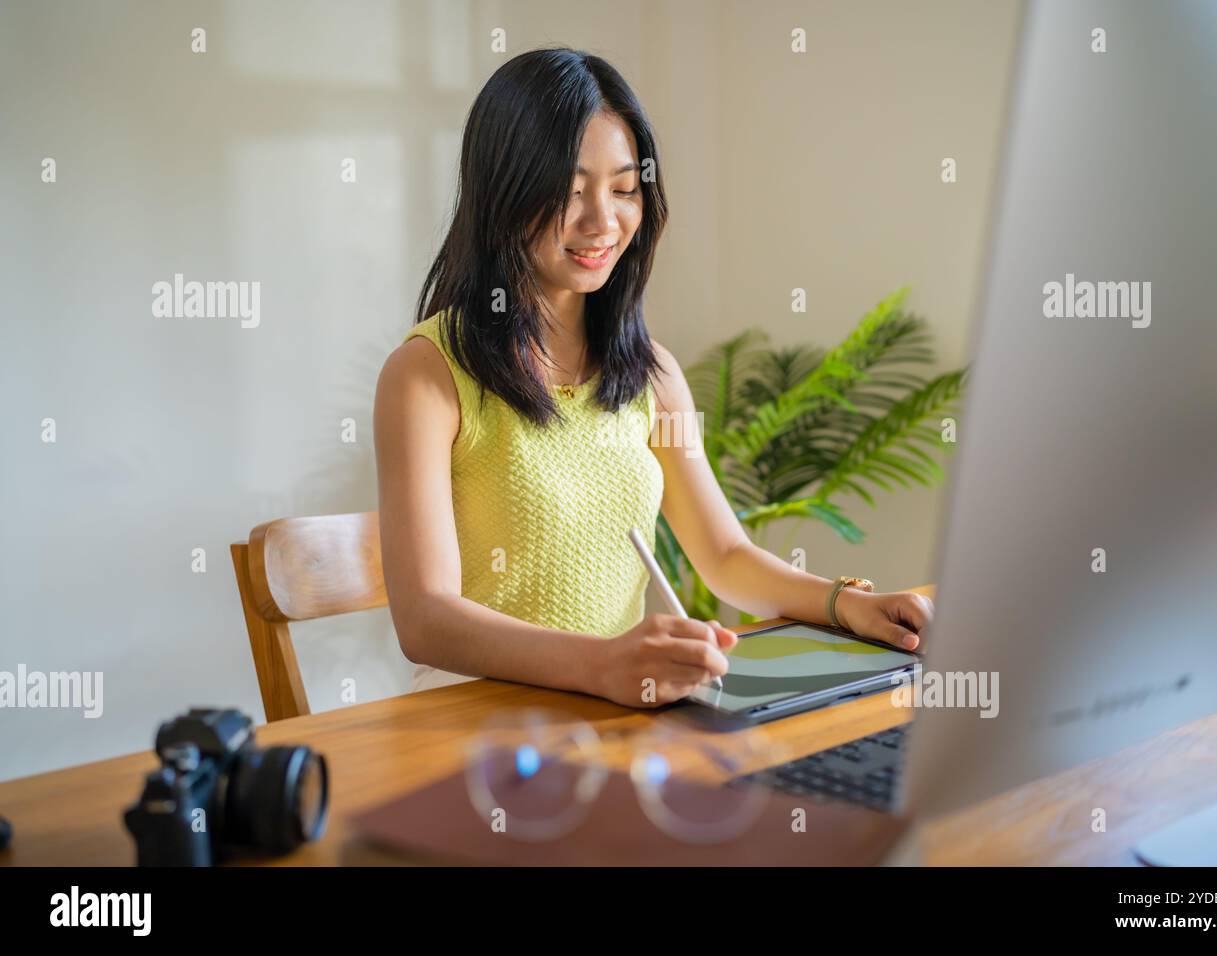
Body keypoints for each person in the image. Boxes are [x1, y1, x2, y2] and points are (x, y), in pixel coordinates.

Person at [374, 47, 933, 709]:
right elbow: (426, 620)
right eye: (569, 191)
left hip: (614, 714)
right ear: (505, 192)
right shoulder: (427, 374)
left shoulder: (650, 373)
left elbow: (724, 554)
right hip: (473, 722)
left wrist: (847, 607)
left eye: (622, 188)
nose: (602, 221)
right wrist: (601, 664)